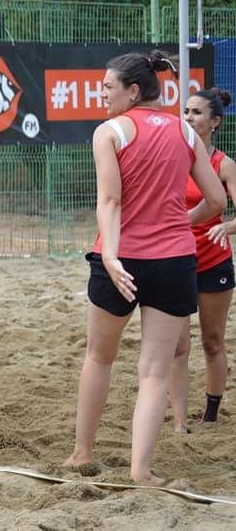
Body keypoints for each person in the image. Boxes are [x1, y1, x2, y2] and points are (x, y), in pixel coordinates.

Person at [63, 51, 225, 485]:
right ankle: (142, 471)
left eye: (107, 89)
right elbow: (217, 202)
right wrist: (177, 225)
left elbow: (110, 201)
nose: (102, 97)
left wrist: (112, 256)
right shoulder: (184, 132)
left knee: (99, 357)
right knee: (154, 372)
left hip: (122, 259)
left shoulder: (110, 131)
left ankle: (81, 454)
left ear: (133, 90)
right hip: (174, 261)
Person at [169, 87, 236, 432]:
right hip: (175, 260)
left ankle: (210, 415)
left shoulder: (223, 165)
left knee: (212, 342)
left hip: (212, 262)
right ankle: (179, 422)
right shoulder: (172, 156)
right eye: (185, 112)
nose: (189, 118)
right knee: (178, 346)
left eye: (196, 113)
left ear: (214, 122)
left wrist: (227, 226)